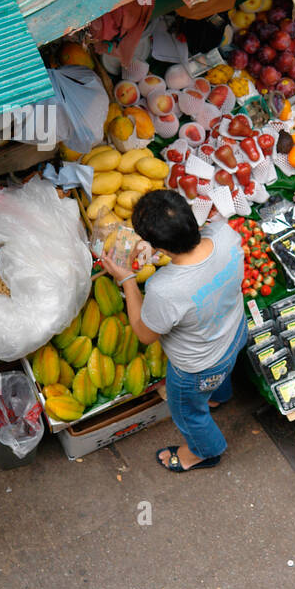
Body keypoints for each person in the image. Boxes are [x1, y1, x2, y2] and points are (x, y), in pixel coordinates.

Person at [97, 189, 246, 473]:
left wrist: (127, 279)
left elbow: (145, 333)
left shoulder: (165, 288)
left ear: (161, 248)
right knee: (221, 373)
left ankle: (204, 452)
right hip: (234, 332)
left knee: (188, 413)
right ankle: (218, 396)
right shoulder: (226, 234)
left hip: (197, 366)